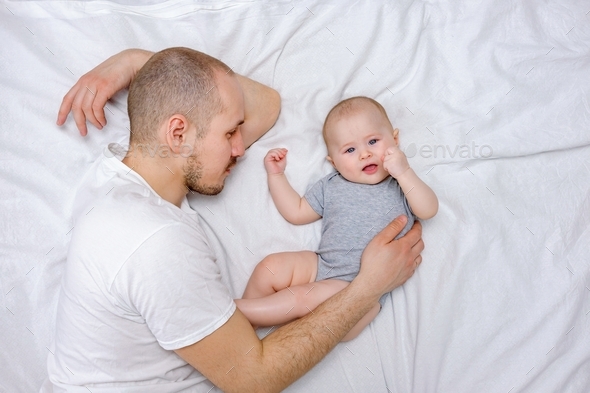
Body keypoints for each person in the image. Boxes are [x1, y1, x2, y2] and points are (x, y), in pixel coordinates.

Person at [45, 47, 424, 393]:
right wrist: (368, 287)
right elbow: (254, 380)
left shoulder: (119, 177)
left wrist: (134, 63)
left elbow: (265, 104)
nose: (241, 148)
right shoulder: (152, 240)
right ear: (178, 133)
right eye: (230, 133)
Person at [235, 97, 438, 340]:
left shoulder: (400, 185)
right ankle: (242, 331)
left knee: (302, 297)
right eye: (350, 150)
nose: (364, 154)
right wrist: (276, 176)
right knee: (270, 267)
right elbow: (297, 211)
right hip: (323, 265)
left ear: (395, 140)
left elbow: (428, 210)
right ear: (334, 162)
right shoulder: (332, 185)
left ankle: (232, 314)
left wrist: (404, 172)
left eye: (373, 141)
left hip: (356, 294)